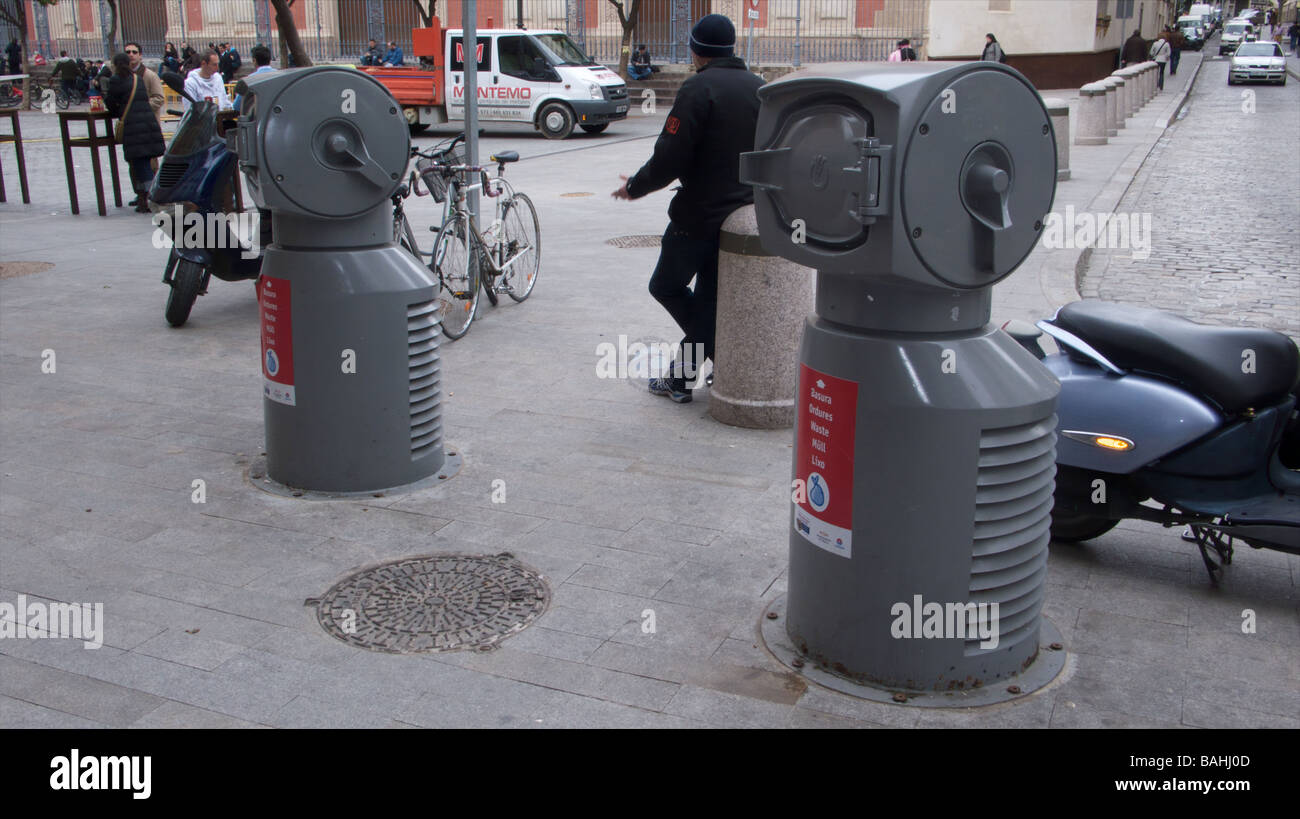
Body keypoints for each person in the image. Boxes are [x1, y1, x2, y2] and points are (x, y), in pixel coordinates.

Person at [611, 14, 764, 403]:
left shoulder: (698, 88)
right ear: (730, 48)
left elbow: (669, 157)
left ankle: (716, 361)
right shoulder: (760, 89)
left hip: (697, 217)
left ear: (696, 51)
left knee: (665, 286)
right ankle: (683, 379)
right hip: (742, 218)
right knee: (709, 300)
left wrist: (635, 187)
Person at [105, 53, 165, 214]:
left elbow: (110, 102)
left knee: (142, 165)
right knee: (143, 163)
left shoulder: (116, 80)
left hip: (133, 127)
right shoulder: (137, 78)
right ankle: (143, 200)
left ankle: (152, 199)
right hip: (148, 124)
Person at [125, 42, 164, 122]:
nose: (131, 54)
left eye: (134, 52)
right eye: (128, 52)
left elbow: (159, 99)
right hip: (129, 123)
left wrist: (139, 107)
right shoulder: (122, 75)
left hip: (148, 123)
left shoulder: (150, 75)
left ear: (140, 55)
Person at [232, 44, 275, 110]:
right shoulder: (281, 76)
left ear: (254, 60)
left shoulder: (248, 81)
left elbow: (237, 106)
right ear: (270, 59)